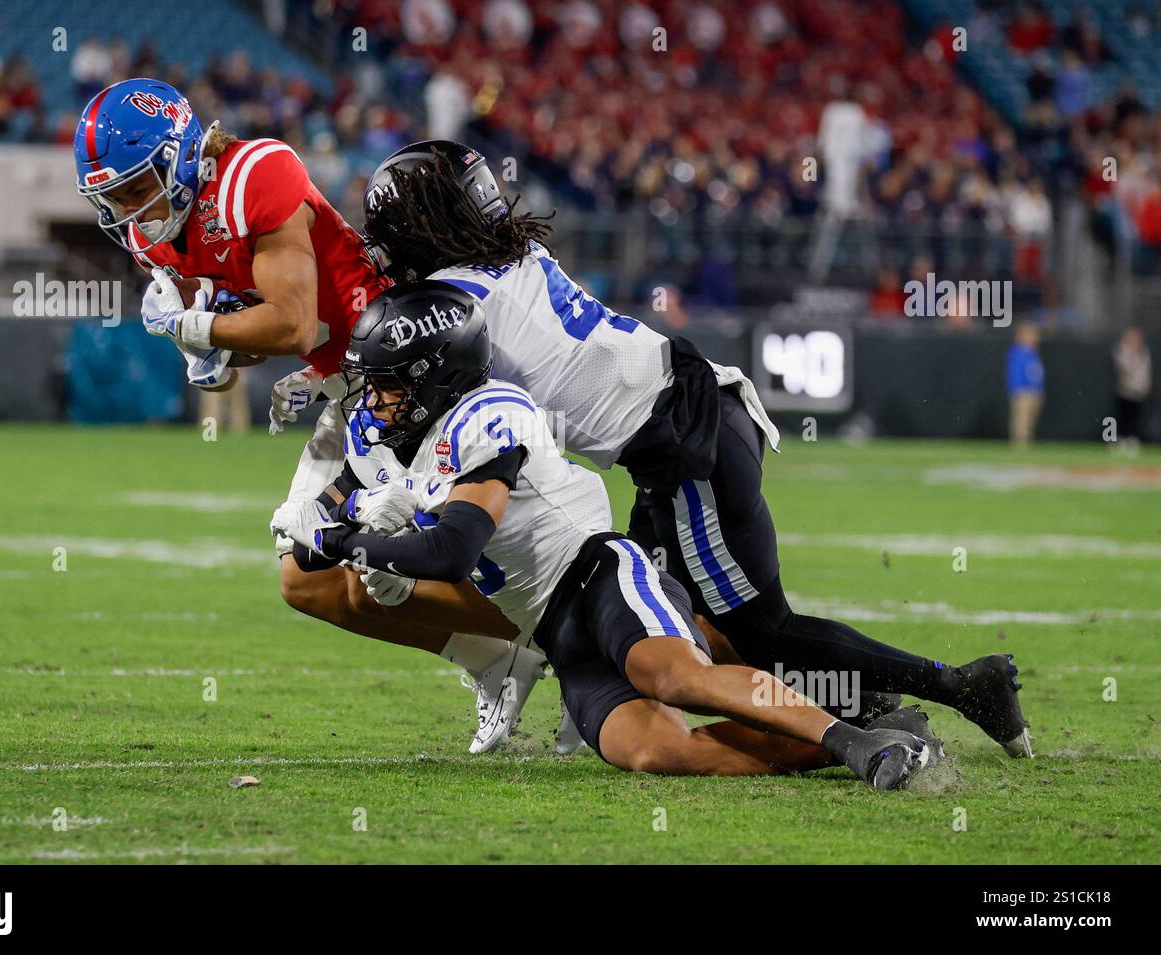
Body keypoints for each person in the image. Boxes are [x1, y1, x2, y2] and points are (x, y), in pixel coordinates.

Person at [354, 140, 1033, 758]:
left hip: (685, 446)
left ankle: (959, 688)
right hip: (678, 429)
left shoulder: (462, 303)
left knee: (762, 633)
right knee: (694, 629)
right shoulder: (511, 251)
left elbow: (389, 326)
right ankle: (862, 704)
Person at [270, 282, 936, 787]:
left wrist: (353, 545)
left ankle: (857, 741)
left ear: (433, 375)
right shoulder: (375, 434)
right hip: (551, 630)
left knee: (671, 674)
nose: (371, 401)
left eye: (386, 385)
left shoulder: (492, 412)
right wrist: (328, 522)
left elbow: (453, 549)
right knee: (654, 751)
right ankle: (860, 733)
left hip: (597, 575)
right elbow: (319, 524)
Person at [74, 79, 528, 750]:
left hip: (405, 382)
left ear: (180, 156)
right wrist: (214, 347)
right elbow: (253, 327)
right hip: (346, 389)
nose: (126, 209)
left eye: (136, 186)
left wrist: (196, 327)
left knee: (475, 559)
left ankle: (559, 636)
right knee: (305, 578)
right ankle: (496, 658)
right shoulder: (158, 235)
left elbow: (293, 320)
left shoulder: (255, 173)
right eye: (111, 195)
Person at [1113, 327, 1151, 454]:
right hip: (1125, 391)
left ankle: (1132, 440)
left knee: (1135, 417)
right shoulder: (1122, 352)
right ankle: (1118, 440)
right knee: (1122, 417)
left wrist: (1144, 386)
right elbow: (1124, 368)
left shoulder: (1144, 353)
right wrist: (1129, 353)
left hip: (1138, 391)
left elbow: (1145, 372)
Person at [1007, 323, 1044, 447]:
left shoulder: (1033, 353)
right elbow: (1015, 373)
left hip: (1034, 390)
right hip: (1023, 391)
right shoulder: (1018, 353)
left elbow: (1036, 373)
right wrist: (1018, 388)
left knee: (1030, 418)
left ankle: (1027, 440)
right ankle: (1019, 441)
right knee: (1021, 418)